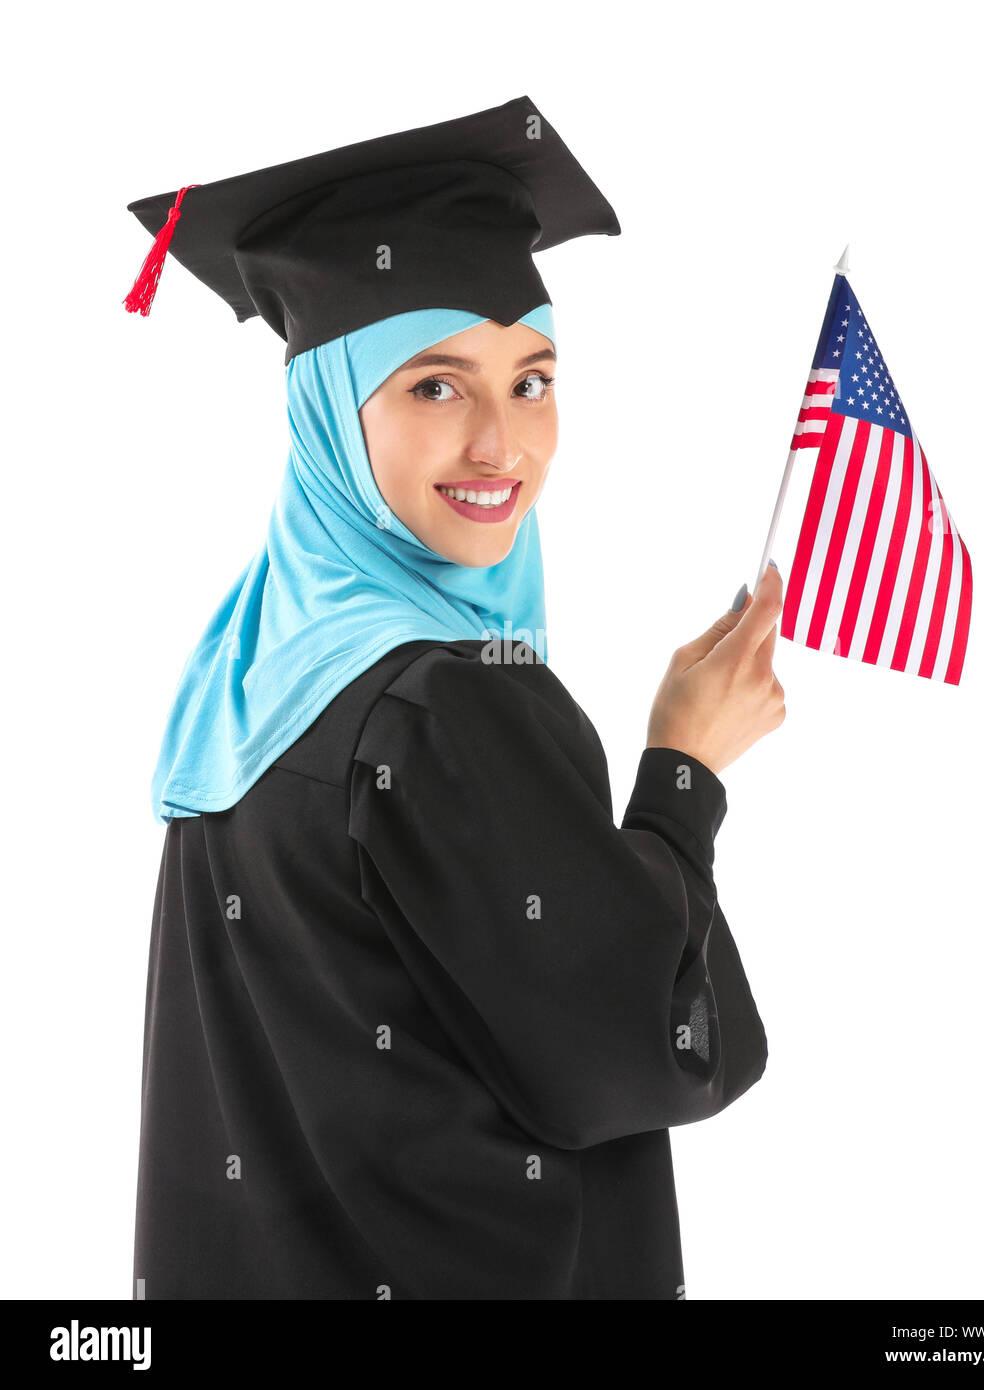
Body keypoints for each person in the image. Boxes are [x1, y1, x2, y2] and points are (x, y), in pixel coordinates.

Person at [124, 96, 784, 1301]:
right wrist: (685, 771)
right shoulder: (446, 705)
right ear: (330, 410)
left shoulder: (250, 669)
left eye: (531, 381)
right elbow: (647, 1048)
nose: (501, 444)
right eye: (434, 388)